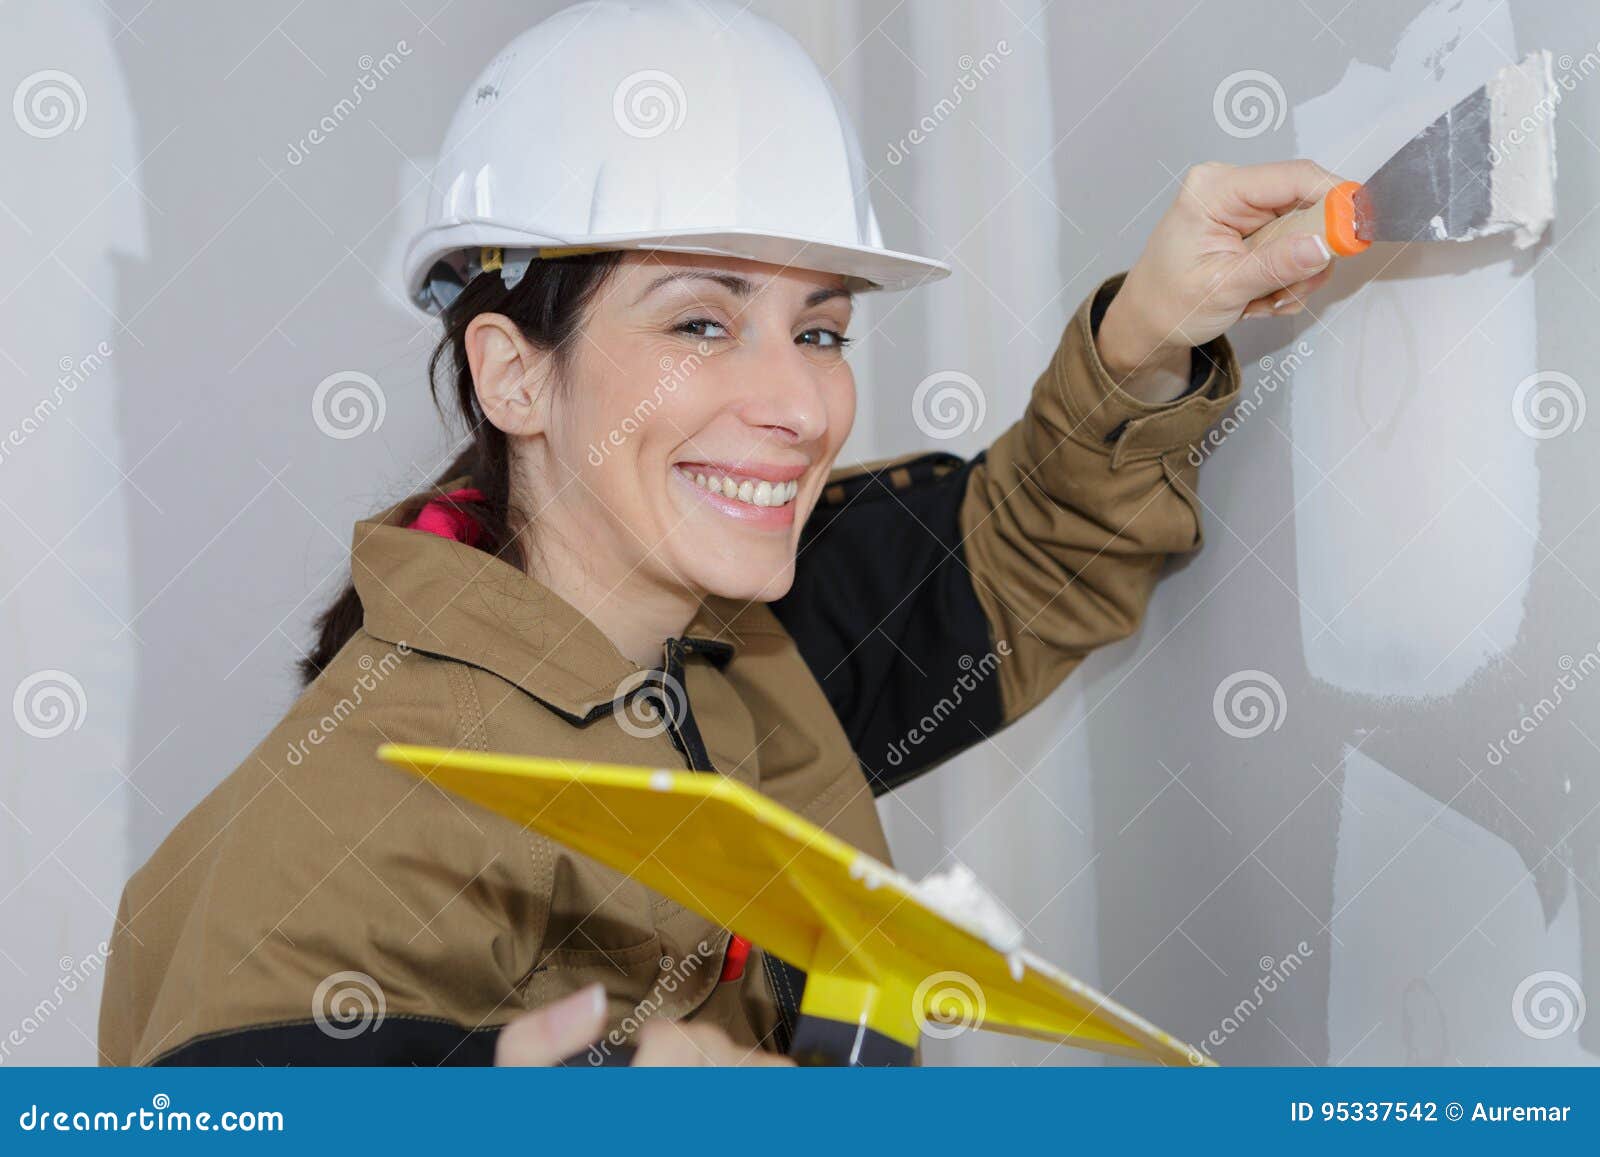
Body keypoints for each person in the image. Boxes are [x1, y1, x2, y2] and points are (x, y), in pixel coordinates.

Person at [98, 0, 1341, 1066]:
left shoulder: (733, 648)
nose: (800, 406)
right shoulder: (342, 832)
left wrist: (1150, 329)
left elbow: (1022, 557)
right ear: (513, 375)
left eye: (820, 329)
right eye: (699, 322)